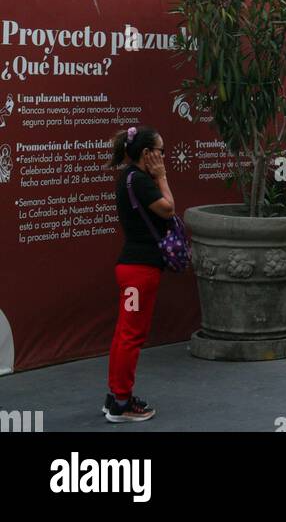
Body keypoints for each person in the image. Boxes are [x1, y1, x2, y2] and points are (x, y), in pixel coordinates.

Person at [105, 125, 175, 422]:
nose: (162, 156)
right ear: (147, 153)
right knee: (130, 335)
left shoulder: (129, 179)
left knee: (127, 333)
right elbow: (169, 209)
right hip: (139, 271)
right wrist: (161, 177)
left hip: (136, 268)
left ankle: (116, 396)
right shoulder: (142, 181)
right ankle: (121, 402)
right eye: (160, 151)